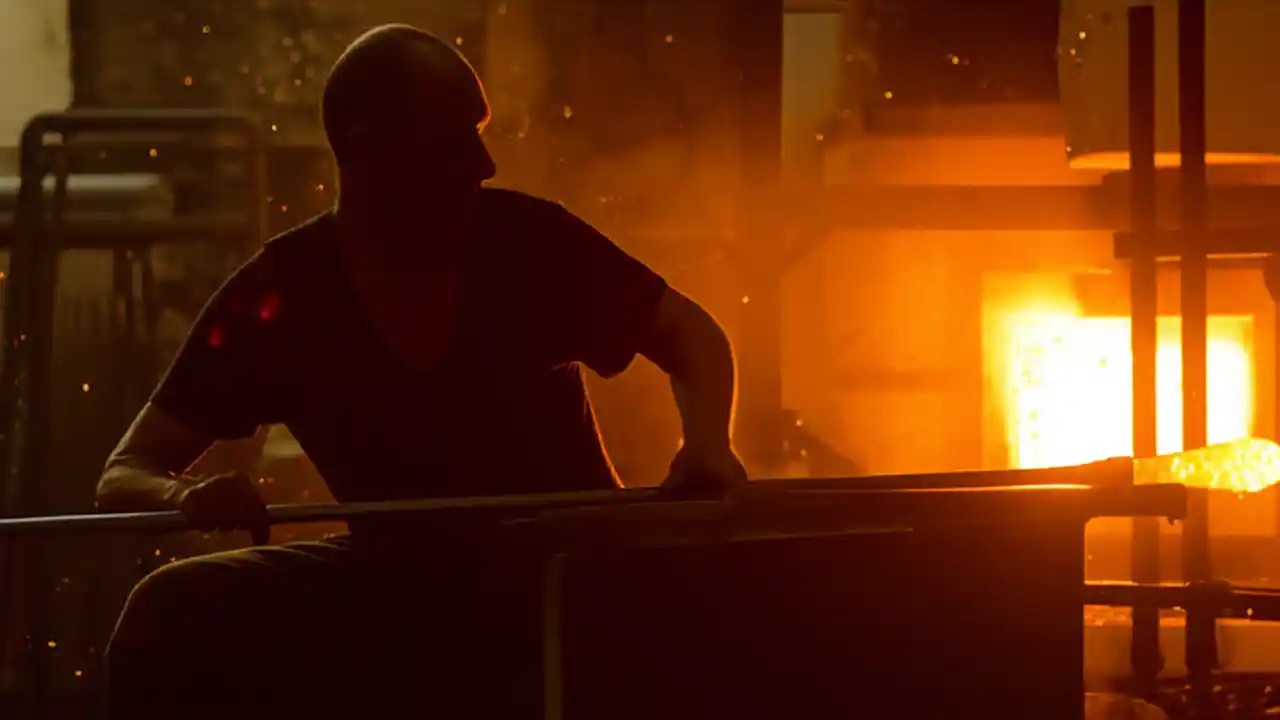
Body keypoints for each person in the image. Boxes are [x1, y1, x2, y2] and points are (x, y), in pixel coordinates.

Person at [96, 23, 746, 719]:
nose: (485, 164)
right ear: (369, 152)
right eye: (453, 141)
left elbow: (690, 334)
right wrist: (182, 498)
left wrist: (706, 440)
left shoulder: (531, 243)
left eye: (481, 134)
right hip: (393, 585)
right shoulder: (279, 297)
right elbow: (123, 474)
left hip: (569, 573)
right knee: (169, 612)